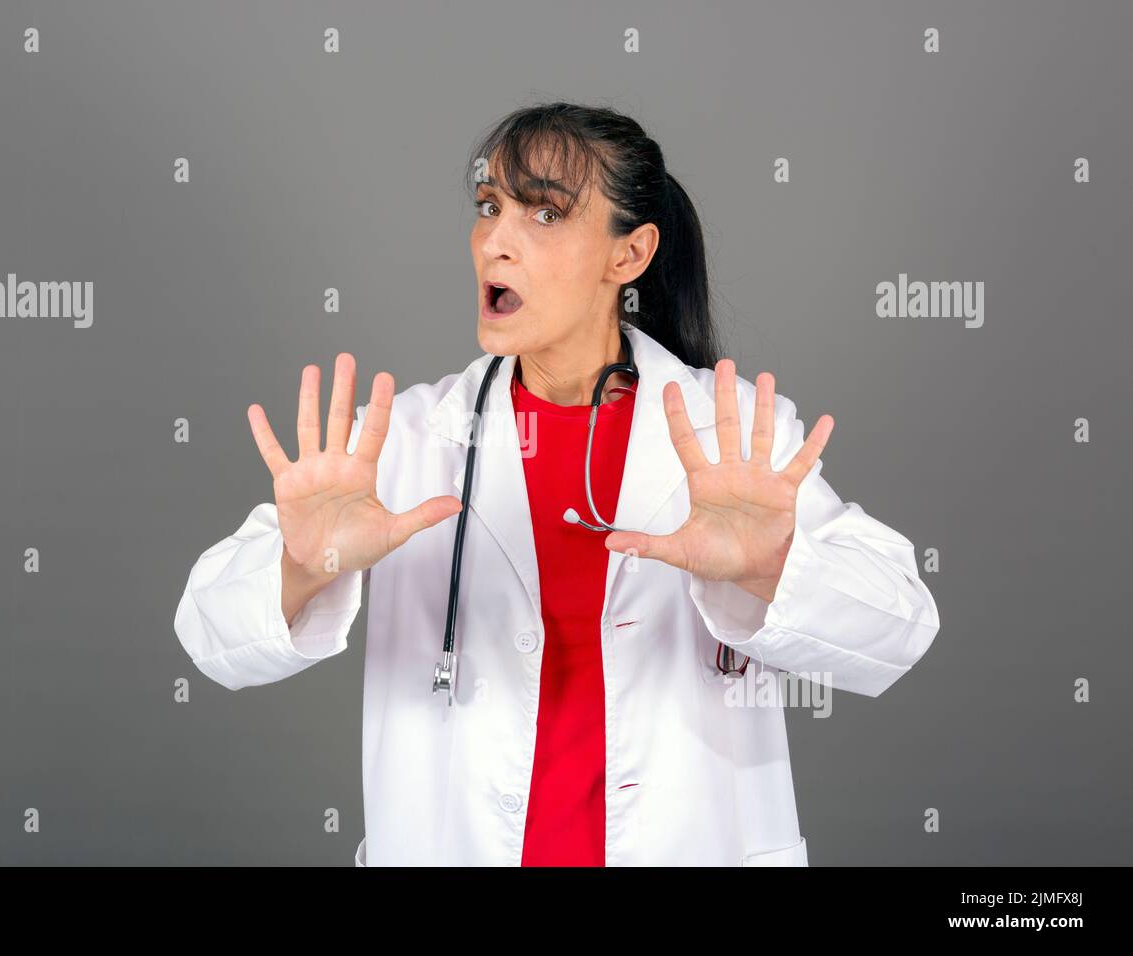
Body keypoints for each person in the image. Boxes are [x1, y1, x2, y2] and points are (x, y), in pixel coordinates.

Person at [173, 102, 940, 866]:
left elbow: (901, 628)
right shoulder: (402, 441)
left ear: (629, 255)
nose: (494, 241)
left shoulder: (731, 434)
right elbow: (210, 637)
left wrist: (768, 567)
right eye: (488, 207)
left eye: (544, 213)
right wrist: (305, 567)